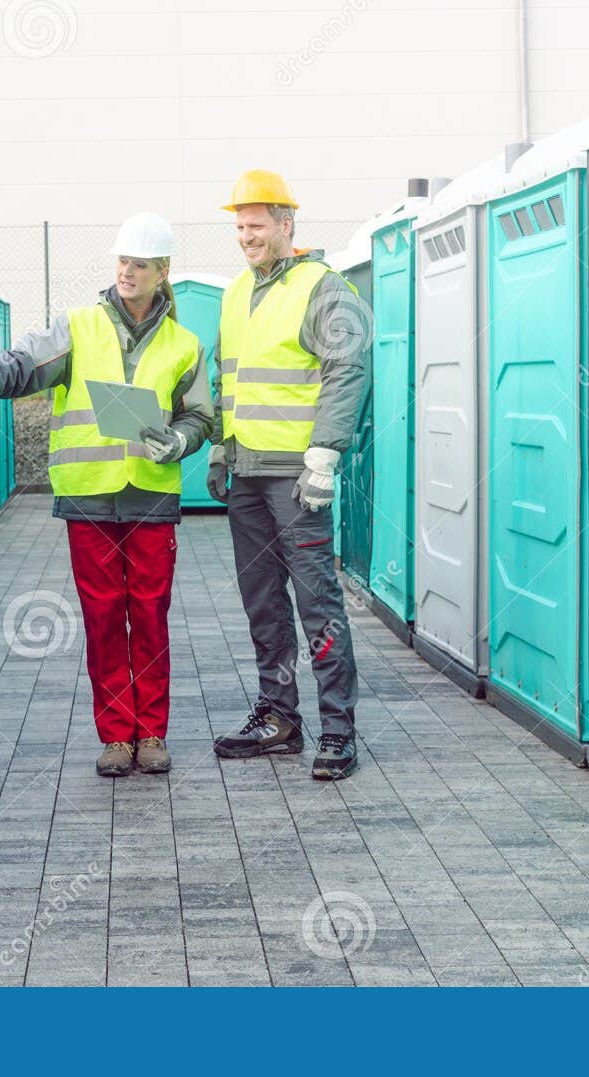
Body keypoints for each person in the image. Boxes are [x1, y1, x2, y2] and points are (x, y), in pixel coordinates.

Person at [0, 212, 212, 777]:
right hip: (88, 498)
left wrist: (178, 442)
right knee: (104, 617)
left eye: (140, 264)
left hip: (151, 498)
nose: (127, 272)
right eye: (122, 262)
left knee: (151, 615)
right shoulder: (79, 326)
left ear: (162, 271)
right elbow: (24, 365)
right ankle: (116, 735)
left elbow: (202, 417)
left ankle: (153, 731)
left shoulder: (185, 345)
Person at [207, 170, 370, 780]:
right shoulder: (233, 294)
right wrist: (223, 448)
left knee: (317, 602)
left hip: (298, 478)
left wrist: (325, 455)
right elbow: (231, 380)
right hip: (248, 472)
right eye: (240, 225)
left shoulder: (322, 288)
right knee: (263, 604)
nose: (247, 235)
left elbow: (347, 369)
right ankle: (279, 719)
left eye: (256, 224)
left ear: (286, 225)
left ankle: (337, 731)